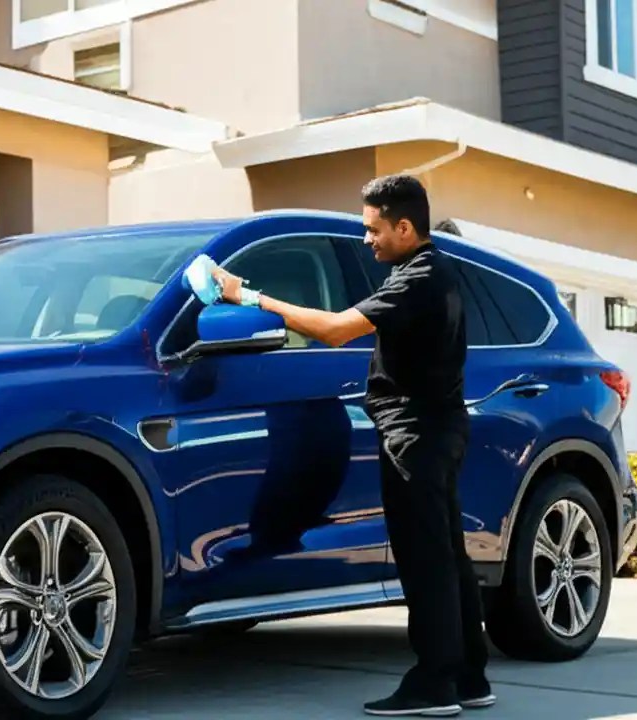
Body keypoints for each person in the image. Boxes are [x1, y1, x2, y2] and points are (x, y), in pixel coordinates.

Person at [210, 174, 493, 717]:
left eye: (374, 230)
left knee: (424, 560)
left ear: (405, 228)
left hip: (416, 433)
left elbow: (336, 330)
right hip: (437, 428)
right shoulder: (435, 271)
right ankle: (469, 676)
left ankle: (434, 684)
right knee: (446, 555)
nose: (367, 240)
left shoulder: (417, 277)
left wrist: (249, 296)